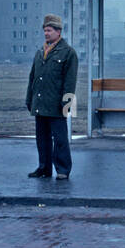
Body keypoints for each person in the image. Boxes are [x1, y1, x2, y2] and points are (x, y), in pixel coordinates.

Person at [25, 14, 79, 179]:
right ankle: (44, 168)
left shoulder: (68, 53)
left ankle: (63, 170)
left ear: (58, 31)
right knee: (42, 139)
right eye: (45, 31)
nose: (46, 34)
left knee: (60, 139)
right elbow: (32, 77)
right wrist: (29, 99)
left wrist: (67, 105)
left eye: (49, 30)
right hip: (40, 103)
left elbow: (70, 81)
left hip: (57, 104)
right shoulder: (40, 52)